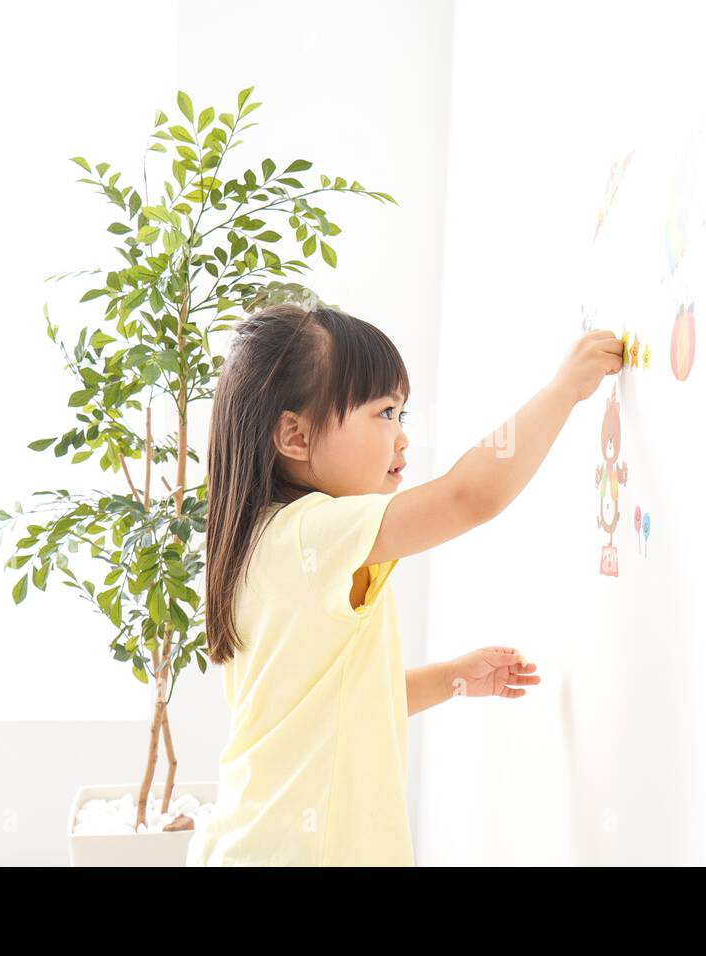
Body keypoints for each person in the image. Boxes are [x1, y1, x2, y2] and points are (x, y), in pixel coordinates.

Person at [185, 302, 623, 865]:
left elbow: (339, 704)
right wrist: (564, 390)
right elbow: (469, 496)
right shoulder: (307, 537)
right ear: (293, 435)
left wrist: (450, 679)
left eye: (403, 416)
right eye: (385, 413)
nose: (402, 439)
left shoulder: (276, 543)